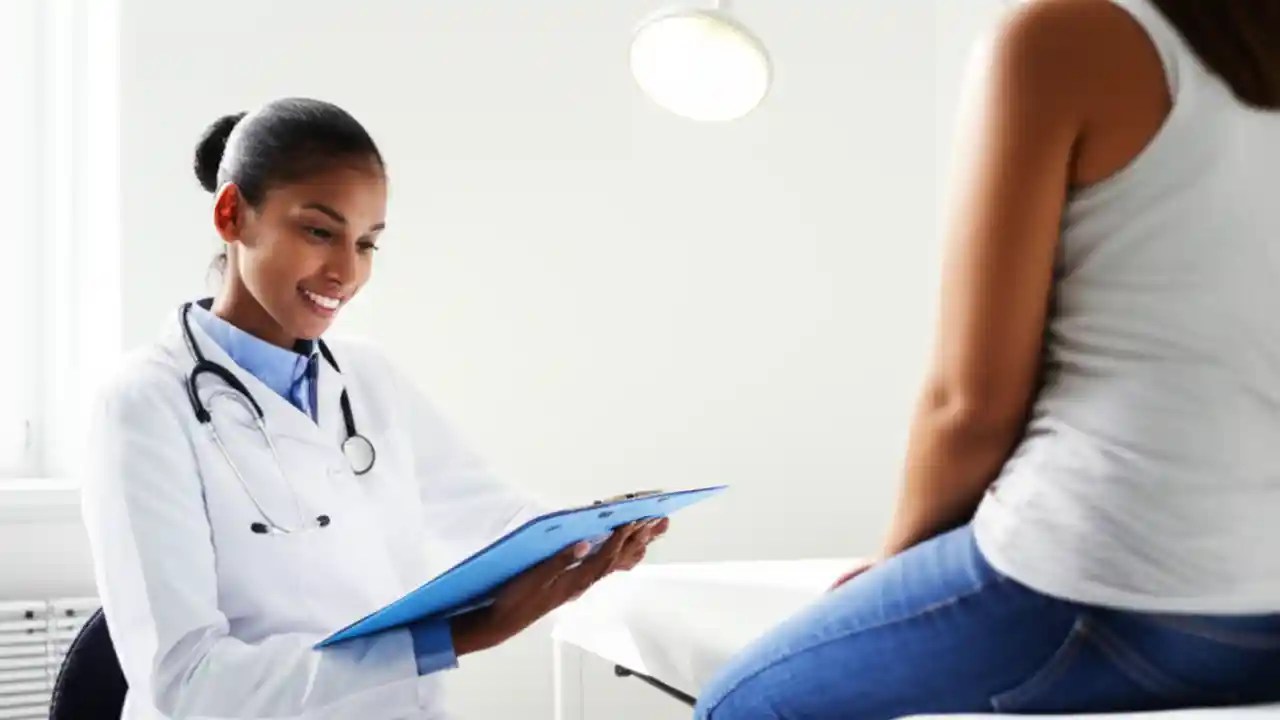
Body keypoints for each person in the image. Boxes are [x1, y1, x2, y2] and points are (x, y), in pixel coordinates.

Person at [695, 0, 1280, 717]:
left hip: (1106, 576)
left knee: (743, 703)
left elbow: (970, 405)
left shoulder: (1066, 37)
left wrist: (894, 567)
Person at [80, 97, 669, 719]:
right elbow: (189, 684)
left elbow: (489, 516)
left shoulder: (366, 377)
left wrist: (590, 538)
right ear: (232, 214)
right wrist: (455, 637)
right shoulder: (144, 403)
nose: (345, 272)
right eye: (318, 231)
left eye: (366, 244)